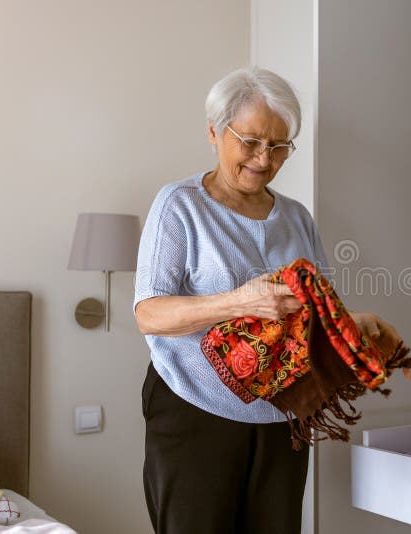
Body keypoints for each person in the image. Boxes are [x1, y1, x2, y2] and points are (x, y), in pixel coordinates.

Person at [133, 66, 390, 534]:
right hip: (194, 409)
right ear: (214, 131)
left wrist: (355, 322)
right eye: (250, 142)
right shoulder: (179, 205)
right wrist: (237, 303)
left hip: (284, 415)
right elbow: (149, 314)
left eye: (278, 147)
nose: (263, 159)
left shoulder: (297, 217)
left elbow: (315, 313)